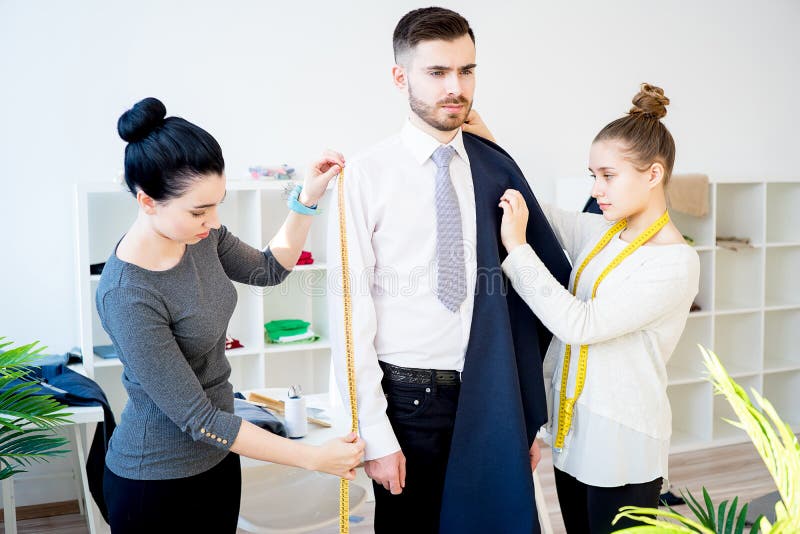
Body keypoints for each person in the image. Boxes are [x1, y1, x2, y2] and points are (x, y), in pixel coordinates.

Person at [326, 7, 571, 534]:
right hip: (410, 402)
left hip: (491, 392)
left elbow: (528, 294)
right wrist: (373, 431)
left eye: (467, 70)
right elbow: (350, 314)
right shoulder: (364, 177)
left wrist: (523, 409)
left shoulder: (493, 167)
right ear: (400, 77)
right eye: (437, 73)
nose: (455, 87)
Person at [96, 97, 364, 533]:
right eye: (199, 210)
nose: (213, 220)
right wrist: (314, 458)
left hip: (219, 459)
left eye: (217, 203)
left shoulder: (201, 237)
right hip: (155, 483)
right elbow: (197, 418)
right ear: (147, 202)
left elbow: (268, 268)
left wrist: (307, 199)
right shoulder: (127, 294)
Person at [492, 84, 700, 533]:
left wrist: (516, 248)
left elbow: (580, 324)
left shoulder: (675, 262)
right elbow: (537, 209)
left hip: (621, 444)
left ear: (652, 174)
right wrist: (485, 145)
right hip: (574, 431)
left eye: (607, 176)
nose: (595, 189)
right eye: (592, 175)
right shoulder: (604, 233)